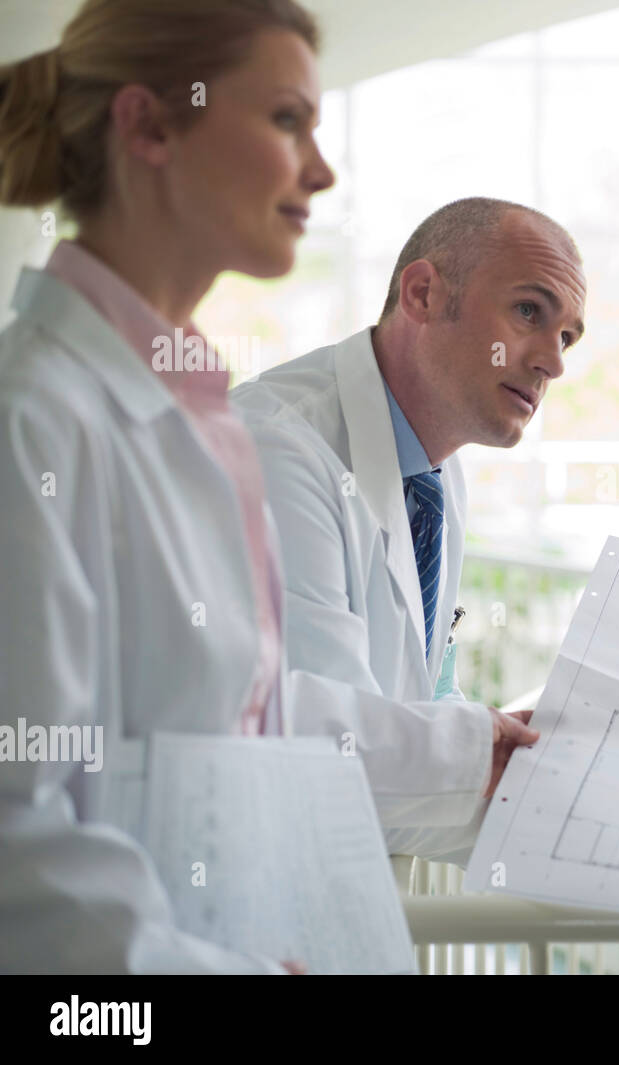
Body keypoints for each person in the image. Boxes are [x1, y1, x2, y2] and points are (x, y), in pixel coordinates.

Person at [0, 0, 334, 972]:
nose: (320, 169)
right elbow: (16, 842)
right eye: (286, 120)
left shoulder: (186, 411)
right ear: (147, 125)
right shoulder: (34, 419)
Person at [231, 198, 582, 861]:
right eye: (531, 312)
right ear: (421, 294)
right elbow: (323, 748)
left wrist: (517, 750)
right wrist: (487, 752)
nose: (554, 362)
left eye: (567, 336)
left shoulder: (437, 479)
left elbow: (409, 703)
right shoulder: (276, 448)